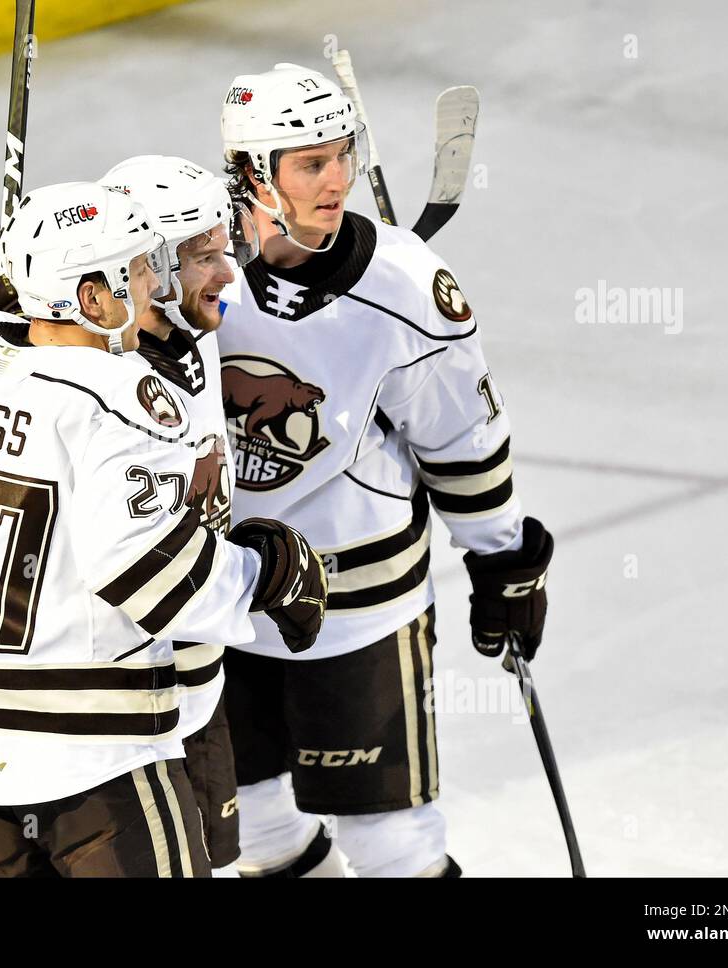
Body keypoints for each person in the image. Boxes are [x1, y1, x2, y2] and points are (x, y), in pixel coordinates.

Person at [0, 181, 327, 877]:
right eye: (140, 271)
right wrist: (267, 574)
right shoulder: (124, 397)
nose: (153, 286)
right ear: (91, 297)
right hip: (97, 755)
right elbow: (145, 573)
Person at [214, 62, 555, 877]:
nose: (337, 181)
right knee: (254, 830)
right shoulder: (186, 271)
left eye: (343, 156)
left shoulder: (405, 289)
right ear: (250, 175)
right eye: (310, 164)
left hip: (355, 606)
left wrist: (503, 559)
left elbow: (461, 437)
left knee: (391, 846)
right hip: (222, 596)